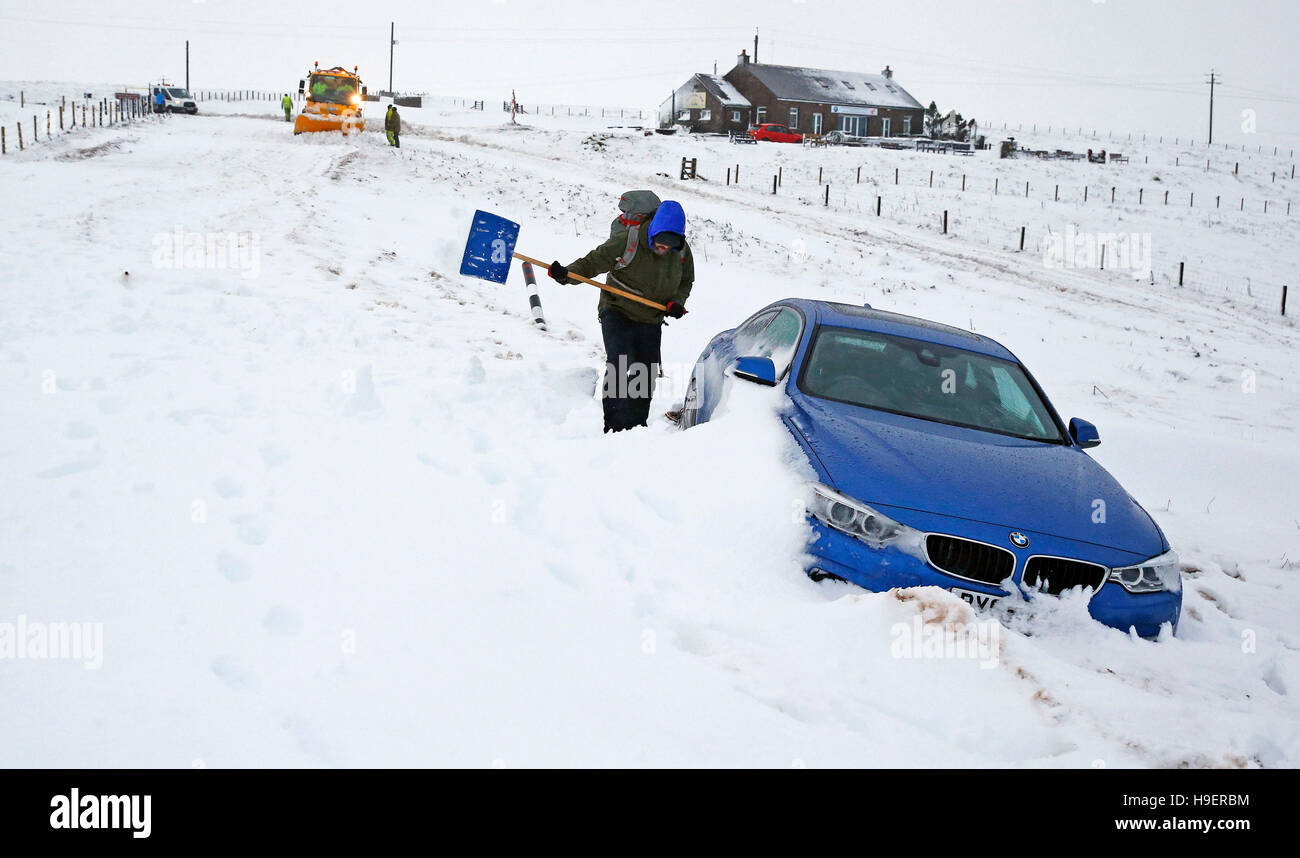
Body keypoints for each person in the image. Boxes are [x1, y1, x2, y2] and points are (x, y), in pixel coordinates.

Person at [548, 200, 693, 433]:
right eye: (661, 243)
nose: (665, 249)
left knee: (645, 371)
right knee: (621, 362)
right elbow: (594, 262)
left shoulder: (683, 252)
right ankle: (614, 427)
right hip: (617, 308)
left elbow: (686, 282)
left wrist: (677, 303)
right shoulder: (629, 239)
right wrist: (566, 275)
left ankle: (636, 428)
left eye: (670, 246)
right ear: (653, 232)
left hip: (652, 317)